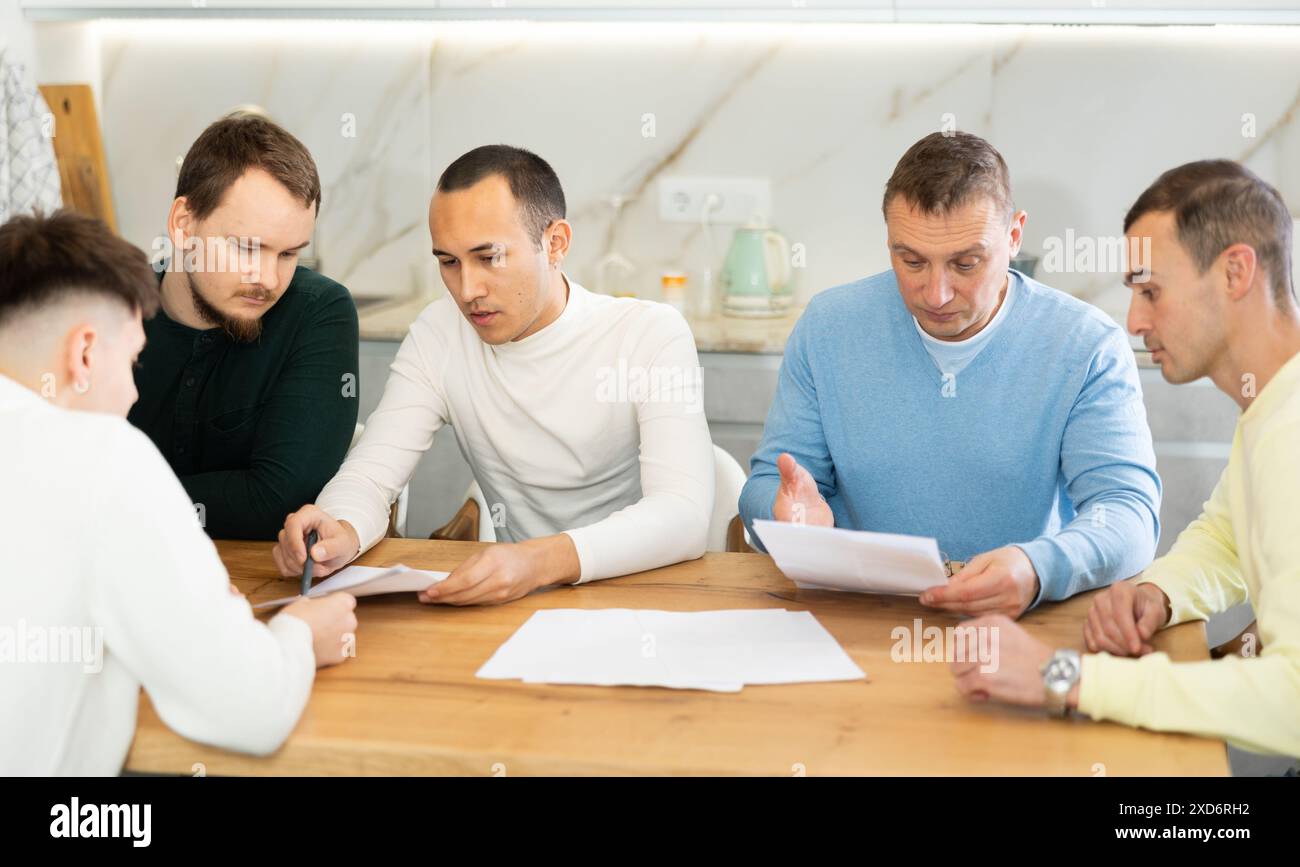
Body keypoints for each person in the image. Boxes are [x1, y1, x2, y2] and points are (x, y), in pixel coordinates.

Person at [951, 160, 1300, 759]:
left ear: (1236, 271)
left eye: (1151, 291)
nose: (1135, 321)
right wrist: (1158, 591)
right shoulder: (1271, 406)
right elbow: (1228, 536)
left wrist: (1068, 678)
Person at [739, 131, 1161, 618]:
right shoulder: (829, 327)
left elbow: (1128, 515)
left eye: (965, 263)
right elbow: (767, 483)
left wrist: (1035, 566)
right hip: (859, 614)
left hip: (1015, 623)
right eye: (911, 260)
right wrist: (787, 514)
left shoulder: (1086, 345)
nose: (935, 293)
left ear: (1015, 236)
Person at [273, 145, 714, 606]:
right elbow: (370, 475)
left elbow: (682, 516)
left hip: (646, 596)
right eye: (448, 262)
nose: (468, 291)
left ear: (556, 243)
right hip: (521, 603)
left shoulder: (649, 334)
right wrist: (337, 529)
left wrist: (535, 562)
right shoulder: (440, 334)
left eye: (489, 258)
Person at [0, 210, 357, 775]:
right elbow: (249, 708)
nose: (134, 388)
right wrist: (298, 635)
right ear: (85, 354)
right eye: (133, 360)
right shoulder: (103, 457)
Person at [128, 112, 359, 540]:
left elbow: (278, 499)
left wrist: (117, 501)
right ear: (183, 224)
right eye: (248, 248)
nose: (269, 280)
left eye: (289, 254)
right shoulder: (111, 310)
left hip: (261, 585)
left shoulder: (319, 311)